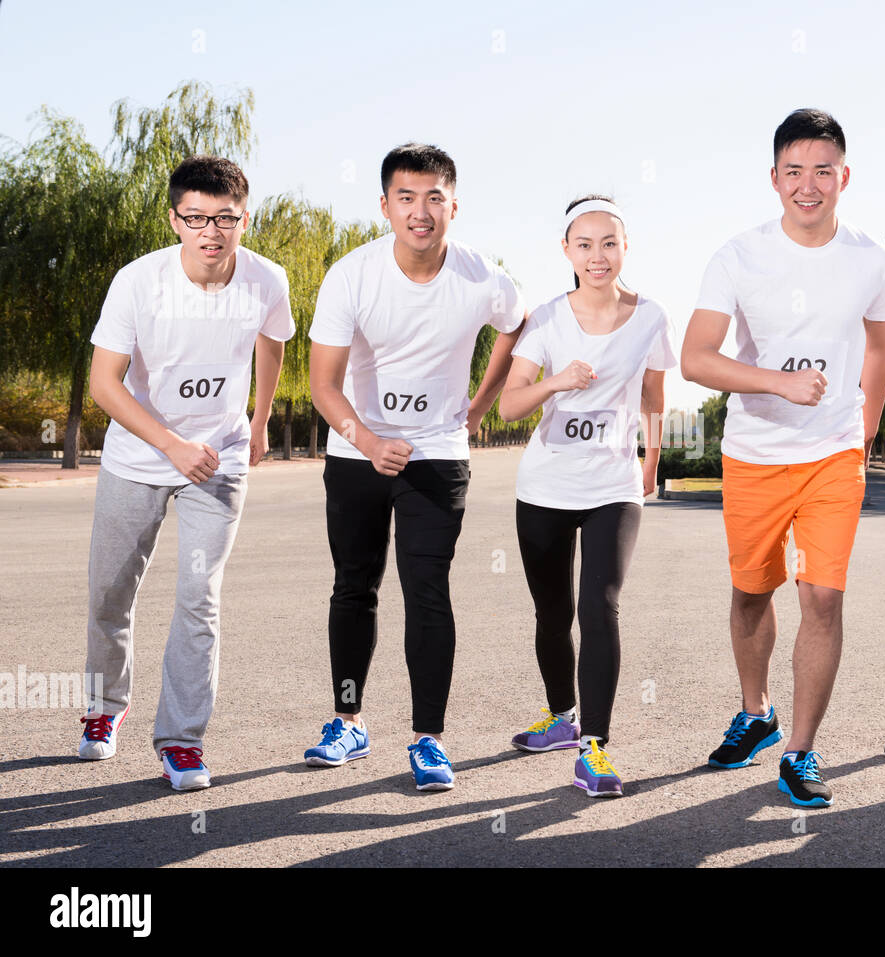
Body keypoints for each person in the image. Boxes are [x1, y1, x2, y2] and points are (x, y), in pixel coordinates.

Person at [681, 109, 885, 808]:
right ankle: (758, 712)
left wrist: (863, 426)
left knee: (823, 598)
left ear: (845, 176)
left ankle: (800, 752)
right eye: (795, 171)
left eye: (823, 170)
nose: (810, 185)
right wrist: (777, 381)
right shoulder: (737, 256)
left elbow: (879, 346)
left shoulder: (874, 258)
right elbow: (696, 359)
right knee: (752, 592)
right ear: (774, 178)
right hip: (752, 452)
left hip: (833, 453)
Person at [303, 143, 525, 791]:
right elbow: (323, 384)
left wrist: (479, 405)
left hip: (436, 454)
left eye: (434, 198)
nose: (420, 212)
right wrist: (368, 441)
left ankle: (428, 738)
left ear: (454, 205)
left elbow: (518, 324)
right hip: (355, 452)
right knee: (353, 585)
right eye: (406, 198)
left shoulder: (484, 276)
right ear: (385, 206)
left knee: (427, 589)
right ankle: (348, 719)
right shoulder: (352, 275)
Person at [79, 155, 292, 790]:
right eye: (196, 218)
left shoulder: (267, 280)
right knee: (109, 593)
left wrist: (259, 421)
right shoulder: (137, 282)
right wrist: (170, 444)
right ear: (175, 220)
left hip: (218, 459)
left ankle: (181, 738)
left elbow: (273, 342)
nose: (211, 232)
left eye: (225, 218)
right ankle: (102, 709)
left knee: (199, 598)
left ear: (243, 220)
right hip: (138, 457)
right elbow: (103, 383)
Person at [498, 195, 675, 798]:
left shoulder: (652, 317)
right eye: (585, 244)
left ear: (626, 248)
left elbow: (654, 398)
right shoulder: (546, 318)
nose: (597, 256)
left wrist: (652, 461)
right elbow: (511, 403)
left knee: (600, 605)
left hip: (612, 485)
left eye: (608, 243)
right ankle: (561, 716)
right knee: (554, 613)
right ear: (566, 250)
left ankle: (594, 747)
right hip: (545, 486)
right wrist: (558, 379)